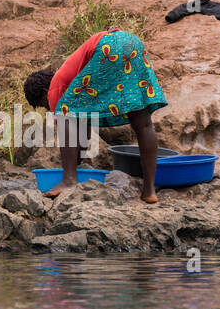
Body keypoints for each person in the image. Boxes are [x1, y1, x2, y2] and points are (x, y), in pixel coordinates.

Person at [23, 27, 167, 204]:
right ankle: (149, 190)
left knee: (65, 112)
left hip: (108, 47)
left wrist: (71, 170)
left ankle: (68, 180)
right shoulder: (75, 82)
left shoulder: (56, 85)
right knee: (142, 120)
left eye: (43, 104)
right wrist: (80, 163)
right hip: (132, 43)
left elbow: (68, 118)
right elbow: (82, 125)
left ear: (44, 91)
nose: (48, 108)